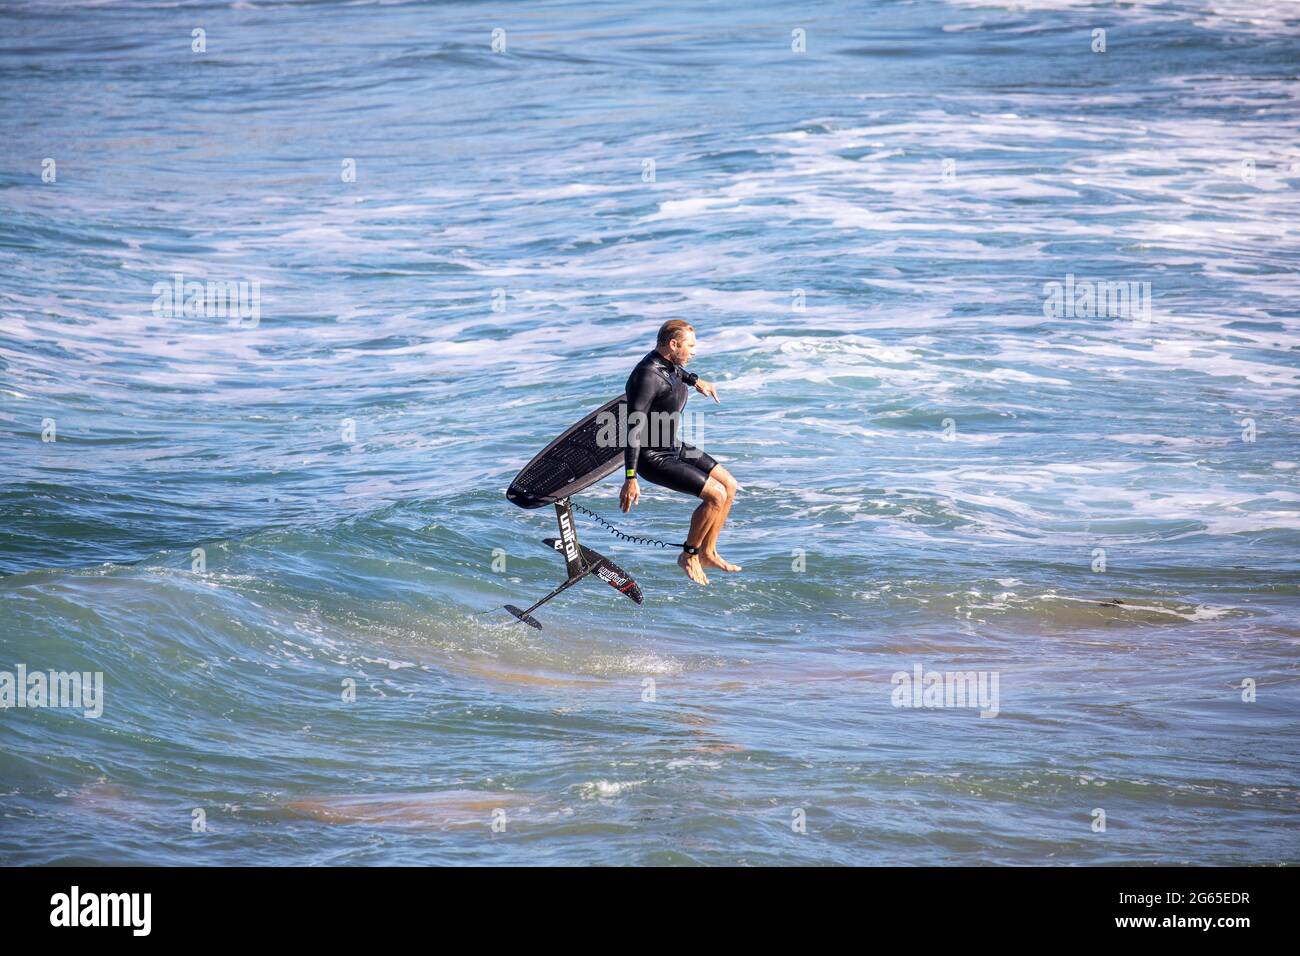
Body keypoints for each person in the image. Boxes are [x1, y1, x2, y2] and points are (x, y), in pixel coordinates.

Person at [619, 320, 740, 585]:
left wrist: (696, 381)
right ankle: (689, 555)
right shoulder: (646, 376)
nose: (694, 351)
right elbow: (633, 428)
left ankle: (708, 552)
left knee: (729, 485)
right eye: (691, 346)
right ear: (673, 345)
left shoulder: (668, 364)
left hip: (672, 444)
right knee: (715, 496)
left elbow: (674, 373)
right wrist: (630, 478)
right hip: (653, 457)